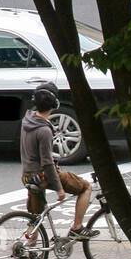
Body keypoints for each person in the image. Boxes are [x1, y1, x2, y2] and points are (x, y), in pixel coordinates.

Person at [20, 84, 95, 239]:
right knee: (86, 187)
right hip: (42, 176)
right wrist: (59, 188)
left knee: (35, 219)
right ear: (55, 104)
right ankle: (77, 227)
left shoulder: (26, 120)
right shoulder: (44, 130)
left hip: (28, 176)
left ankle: (29, 253)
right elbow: (47, 163)